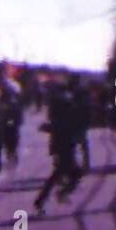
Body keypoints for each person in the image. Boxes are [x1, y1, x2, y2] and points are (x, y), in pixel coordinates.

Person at [34, 76, 84, 214]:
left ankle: (47, 199)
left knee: (61, 173)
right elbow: (64, 123)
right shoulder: (65, 103)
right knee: (69, 173)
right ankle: (45, 199)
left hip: (61, 142)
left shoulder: (58, 103)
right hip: (65, 143)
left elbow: (56, 123)